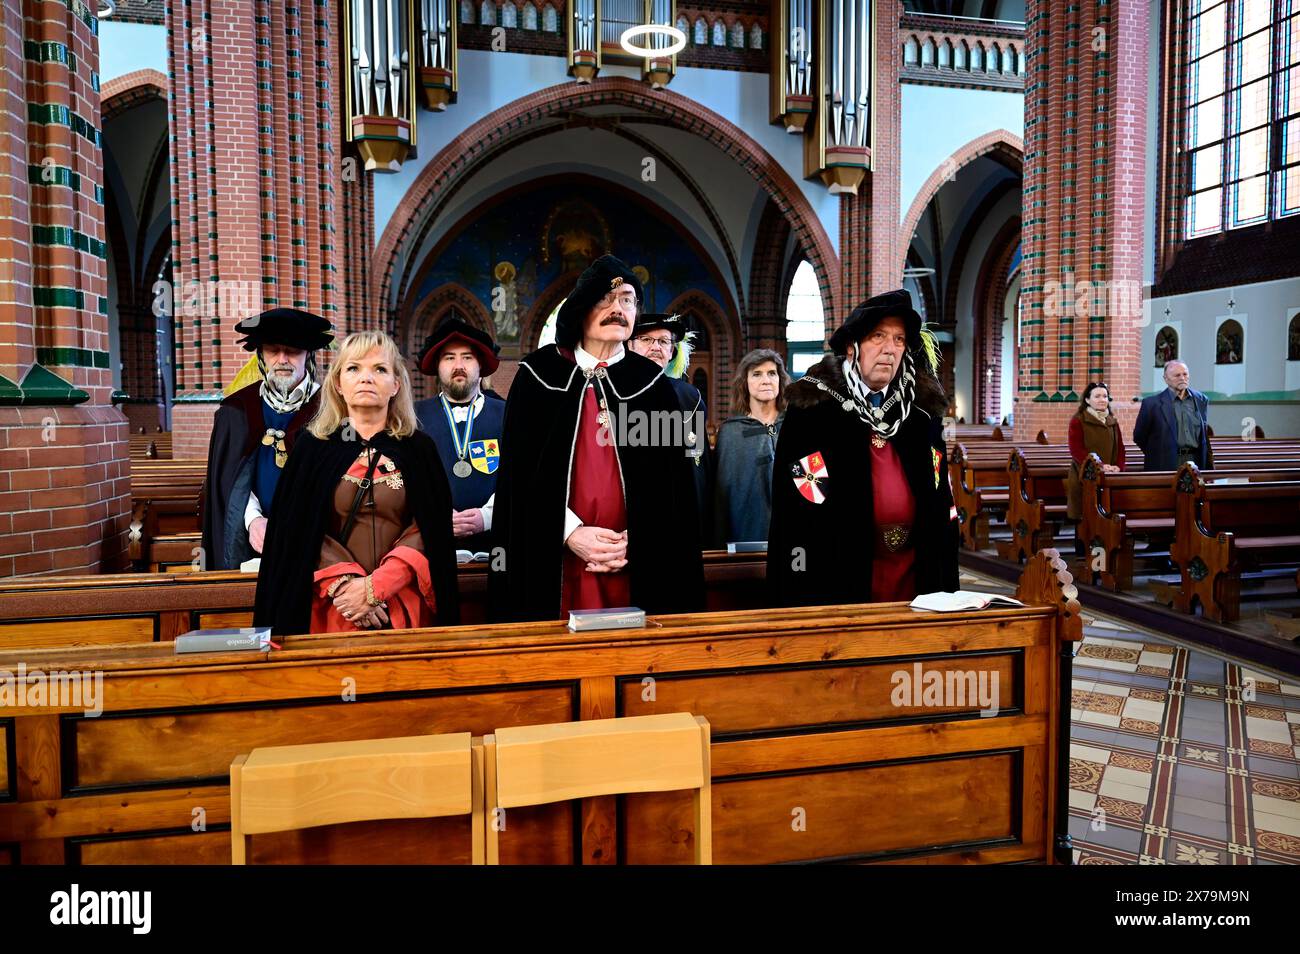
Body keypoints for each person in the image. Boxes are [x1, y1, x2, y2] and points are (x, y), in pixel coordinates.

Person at [489, 254, 705, 621]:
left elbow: (674, 489)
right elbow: (519, 480)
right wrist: (570, 533)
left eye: (627, 301)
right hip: (556, 559)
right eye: (606, 299)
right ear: (580, 309)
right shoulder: (538, 377)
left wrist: (638, 539)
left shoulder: (652, 386)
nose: (618, 308)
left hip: (633, 562)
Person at [253, 331, 460, 636]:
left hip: (403, 604)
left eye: (380, 369)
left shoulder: (419, 448)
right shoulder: (313, 448)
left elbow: (430, 526)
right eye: (353, 368)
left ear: (396, 385)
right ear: (338, 384)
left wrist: (379, 585)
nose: (366, 378)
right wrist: (347, 587)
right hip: (332, 607)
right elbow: (298, 528)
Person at [767, 289, 959, 606]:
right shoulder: (814, 410)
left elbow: (942, 499)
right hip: (840, 578)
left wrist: (946, 582)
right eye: (878, 336)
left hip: (914, 579)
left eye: (899, 340)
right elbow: (799, 507)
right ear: (852, 347)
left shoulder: (921, 413)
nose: (890, 349)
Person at [201, 308, 332, 570]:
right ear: (261, 355)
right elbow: (227, 479)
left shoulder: (331, 411)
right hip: (249, 541)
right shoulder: (235, 411)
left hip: (316, 542)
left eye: (292, 350)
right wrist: (253, 520)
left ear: (308, 355)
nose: (282, 359)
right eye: (273, 350)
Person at [413, 315, 505, 555]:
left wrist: (486, 517)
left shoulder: (507, 414)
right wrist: (436, 514)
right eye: (449, 358)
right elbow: (404, 480)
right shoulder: (413, 417)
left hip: (498, 545)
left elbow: (523, 475)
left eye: (467, 357)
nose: (458, 366)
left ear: (481, 365)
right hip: (431, 546)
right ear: (437, 366)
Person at [627, 312, 711, 540]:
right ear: (629, 346)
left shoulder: (690, 396)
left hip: (679, 516)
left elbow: (698, 461)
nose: (656, 347)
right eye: (646, 340)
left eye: (664, 341)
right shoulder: (615, 392)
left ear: (672, 351)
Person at [713, 348, 790, 547]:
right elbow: (721, 497)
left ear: (780, 380)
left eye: (772, 373)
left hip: (793, 540)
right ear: (744, 383)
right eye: (757, 374)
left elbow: (814, 485)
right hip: (744, 537)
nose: (766, 380)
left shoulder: (797, 427)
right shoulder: (730, 433)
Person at [1133, 360, 1214, 471]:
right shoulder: (1151, 404)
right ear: (1166, 379)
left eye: (1185, 374)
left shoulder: (1201, 399)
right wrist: (1157, 453)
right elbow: (1139, 437)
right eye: (1177, 375)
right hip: (1164, 463)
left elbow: (1203, 434)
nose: (1182, 378)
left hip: (1196, 461)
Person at [1065, 382, 1126, 523]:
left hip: (1110, 476)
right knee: (1085, 519)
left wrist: (1119, 466)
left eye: (1105, 396)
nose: (1102, 399)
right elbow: (1076, 450)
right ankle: (1083, 545)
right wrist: (1100, 466)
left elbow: (1121, 449)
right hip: (1085, 475)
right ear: (1087, 400)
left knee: (1106, 518)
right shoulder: (1079, 420)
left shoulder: (1112, 421)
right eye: (1097, 396)